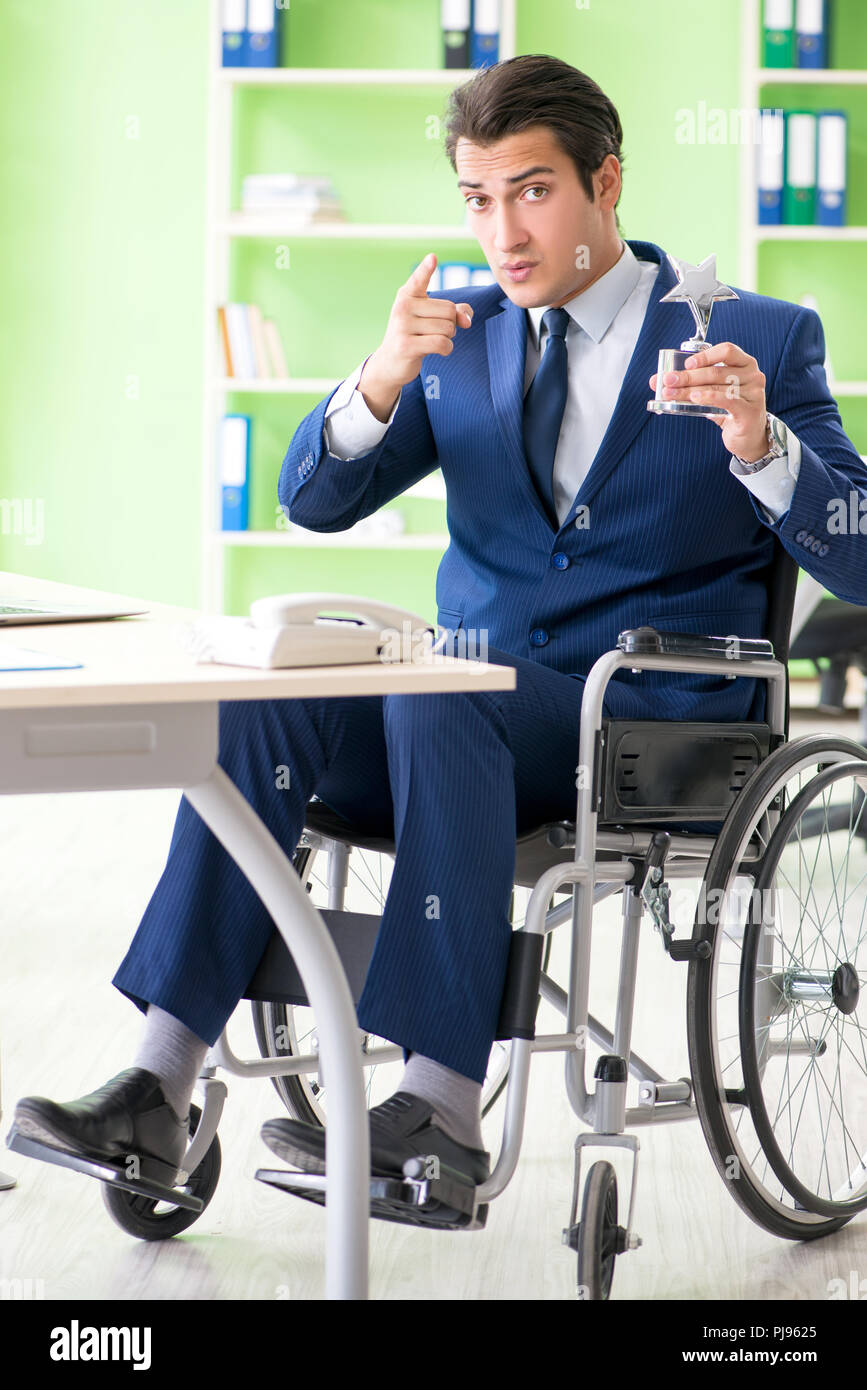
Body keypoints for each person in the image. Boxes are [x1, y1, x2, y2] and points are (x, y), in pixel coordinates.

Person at [11, 55, 867, 1191]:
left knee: (440, 691)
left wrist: (762, 446)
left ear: (606, 183)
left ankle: (439, 1109)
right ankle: (157, 1088)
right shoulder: (461, 334)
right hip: (460, 725)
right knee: (272, 696)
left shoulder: (757, 333)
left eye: (531, 190)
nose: (503, 231)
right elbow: (310, 503)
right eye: (477, 196)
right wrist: (376, 378)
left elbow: (855, 550)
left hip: (644, 728)